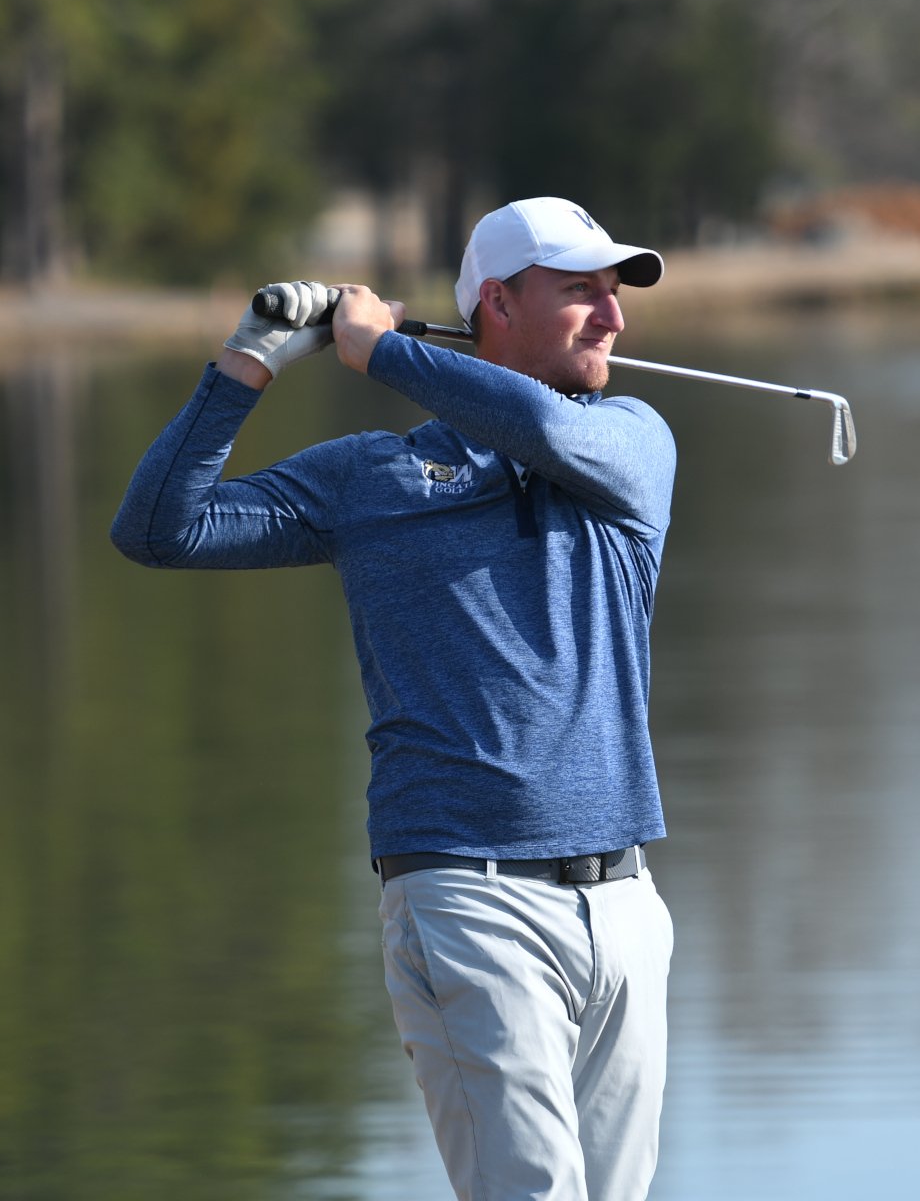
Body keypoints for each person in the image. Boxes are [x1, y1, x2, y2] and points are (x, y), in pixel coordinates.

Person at [109, 197, 676, 1201]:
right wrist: (250, 360)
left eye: (615, 293)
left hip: (626, 903)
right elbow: (160, 527)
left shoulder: (632, 444)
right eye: (581, 291)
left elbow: (539, 424)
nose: (613, 318)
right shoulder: (372, 477)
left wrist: (381, 352)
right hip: (468, 894)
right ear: (495, 301)